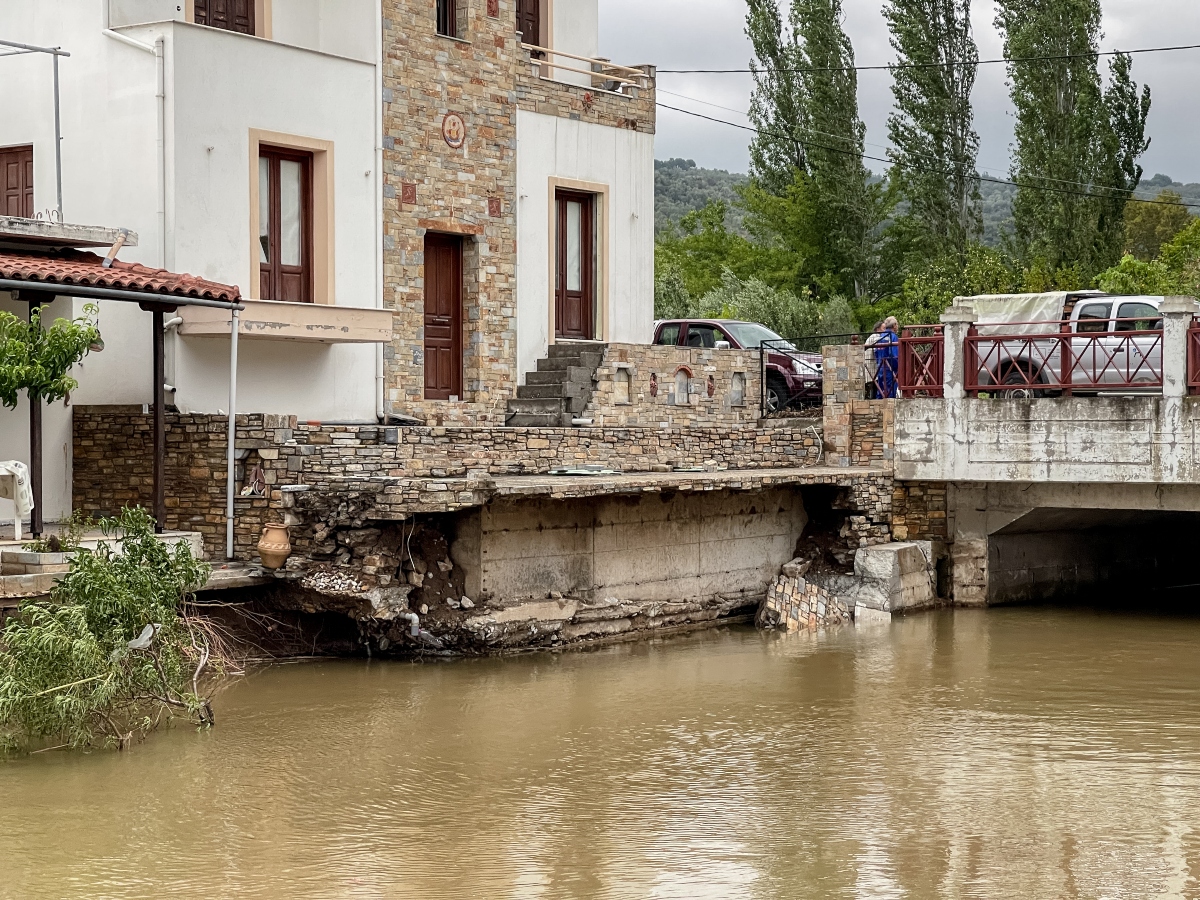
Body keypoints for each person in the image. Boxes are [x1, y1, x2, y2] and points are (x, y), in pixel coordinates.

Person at [873, 317, 900, 399]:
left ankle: (878, 409)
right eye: (897, 324)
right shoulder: (893, 337)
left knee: (880, 391)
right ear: (894, 325)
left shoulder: (880, 336)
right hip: (890, 368)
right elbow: (893, 354)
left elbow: (876, 352)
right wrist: (898, 366)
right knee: (890, 392)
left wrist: (879, 362)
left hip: (881, 367)